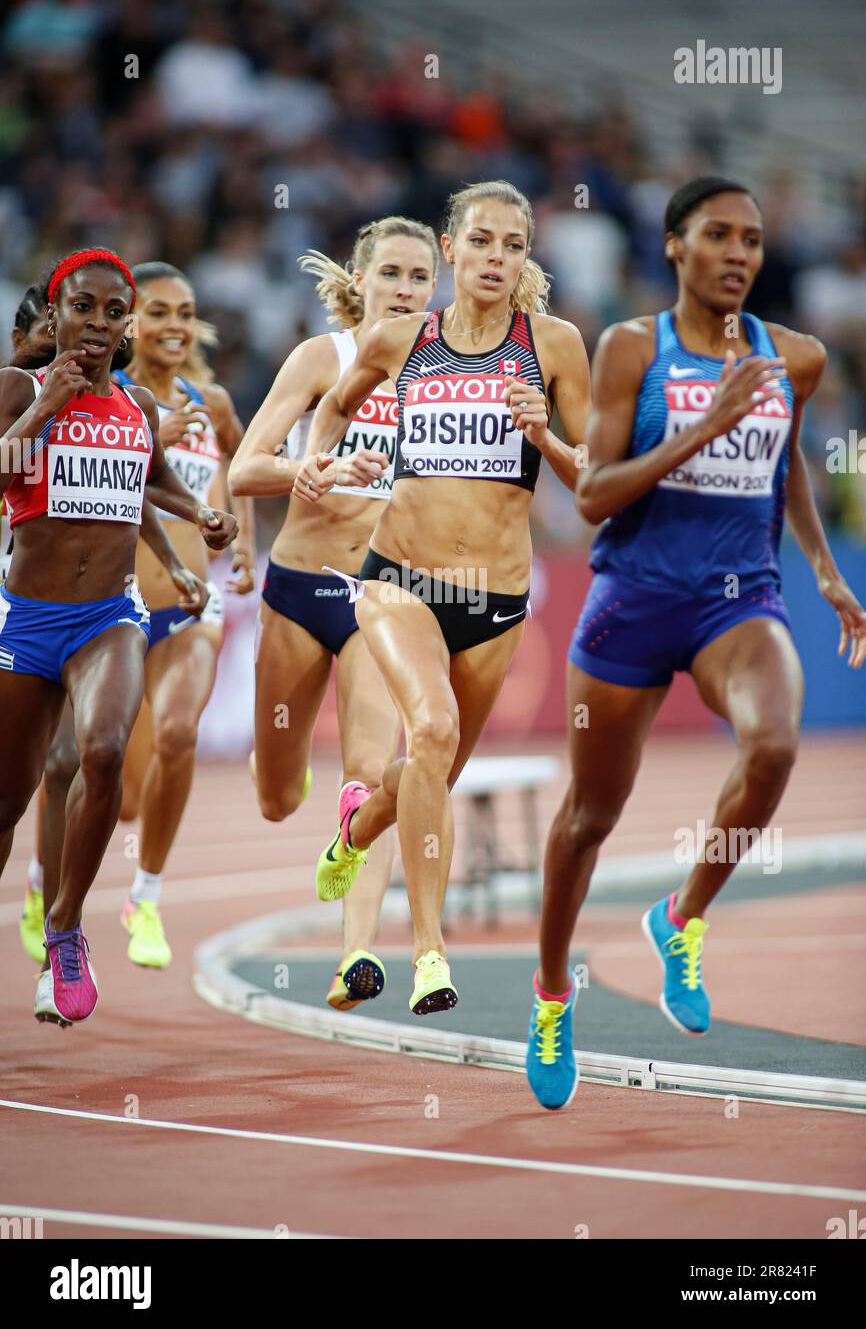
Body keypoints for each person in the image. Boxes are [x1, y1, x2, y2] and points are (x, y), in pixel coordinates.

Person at [527, 176, 866, 1109]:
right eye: (718, 235)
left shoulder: (793, 357)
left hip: (736, 599)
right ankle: (553, 994)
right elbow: (593, 493)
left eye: (753, 240)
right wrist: (704, 426)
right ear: (675, 247)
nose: (739, 254)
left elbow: (786, 454)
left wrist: (823, 565)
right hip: (631, 600)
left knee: (776, 742)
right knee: (590, 817)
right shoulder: (632, 346)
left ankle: (682, 919)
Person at [293, 181, 590, 1015]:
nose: (497, 258)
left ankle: (353, 833)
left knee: (431, 772)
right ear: (450, 249)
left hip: (496, 601)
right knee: (429, 729)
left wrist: (548, 439)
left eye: (514, 246)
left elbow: (597, 477)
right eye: (482, 242)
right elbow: (337, 405)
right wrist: (317, 460)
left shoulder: (555, 345)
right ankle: (429, 954)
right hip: (399, 579)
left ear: (526, 259)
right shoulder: (399, 337)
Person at [0, 247, 237, 1026]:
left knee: (102, 751)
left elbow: (154, 481)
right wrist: (43, 408)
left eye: (111, 312)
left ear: (124, 323)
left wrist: (197, 515)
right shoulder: (19, 389)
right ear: (57, 313)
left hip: (109, 615)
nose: (97, 325)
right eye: (82, 309)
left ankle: (65, 930)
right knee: (8, 801)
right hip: (25, 620)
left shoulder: (135, 409)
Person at [229, 217, 438, 1008]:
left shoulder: (446, 370)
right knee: (279, 798)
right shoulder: (325, 358)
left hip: (381, 599)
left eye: (421, 277)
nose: (407, 290)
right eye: (392, 274)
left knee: (371, 777)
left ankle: (356, 956)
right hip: (299, 587)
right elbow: (244, 469)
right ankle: (275, 761)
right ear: (360, 283)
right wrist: (310, 469)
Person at [110, 262, 255, 968]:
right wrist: (160, 438)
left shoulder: (214, 403)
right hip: (112, 612)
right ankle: (46, 887)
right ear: (126, 322)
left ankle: (146, 894)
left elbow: (246, 467)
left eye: (184, 312)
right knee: (119, 795)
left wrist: (246, 545)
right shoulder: (106, 400)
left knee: (177, 733)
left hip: (192, 607)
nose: (173, 325)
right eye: (157, 312)